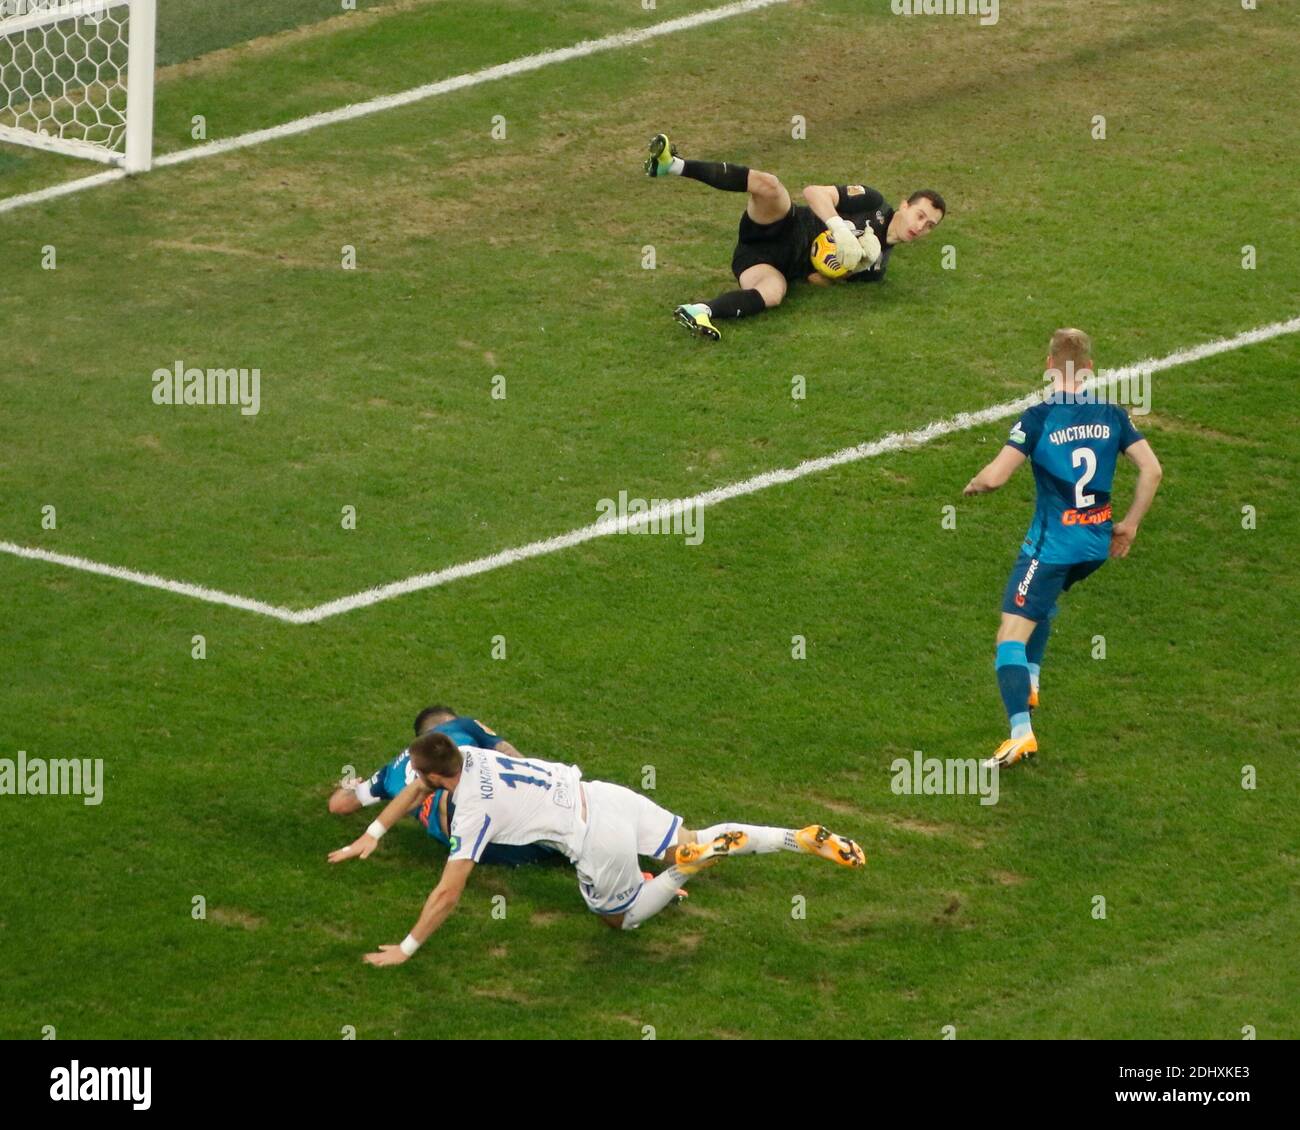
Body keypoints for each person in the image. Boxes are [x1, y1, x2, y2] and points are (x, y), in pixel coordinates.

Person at [328, 732, 865, 964]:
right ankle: (798, 838)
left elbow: (448, 894)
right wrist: (370, 835)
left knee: (621, 919)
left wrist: (408, 947)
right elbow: (423, 784)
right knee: (695, 836)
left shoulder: (471, 811)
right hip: (604, 795)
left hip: (592, 840)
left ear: (431, 772)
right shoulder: (467, 752)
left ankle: (682, 872)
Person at [963, 328, 1163, 767]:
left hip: (1051, 548)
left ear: (1049, 365)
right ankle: (1031, 681)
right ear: (1089, 368)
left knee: (1009, 636)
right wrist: (1129, 525)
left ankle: (1020, 734)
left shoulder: (1038, 418)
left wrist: (974, 486)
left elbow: (996, 477)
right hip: (1095, 546)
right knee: (1042, 607)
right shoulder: (1113, 413)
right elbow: (1152, 470)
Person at [644, 131, 944, 340]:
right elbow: (813, 193)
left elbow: (816, 279)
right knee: (770, 185)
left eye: (930, 225)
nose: (921, 226)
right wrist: (839, 228)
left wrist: (843, 266)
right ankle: (671, 165)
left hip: (767, 262)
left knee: (774, 294)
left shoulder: (876, 267)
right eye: (920, 215)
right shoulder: (872, 202)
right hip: (780, 223)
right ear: (905, 205)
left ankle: (699, 310)